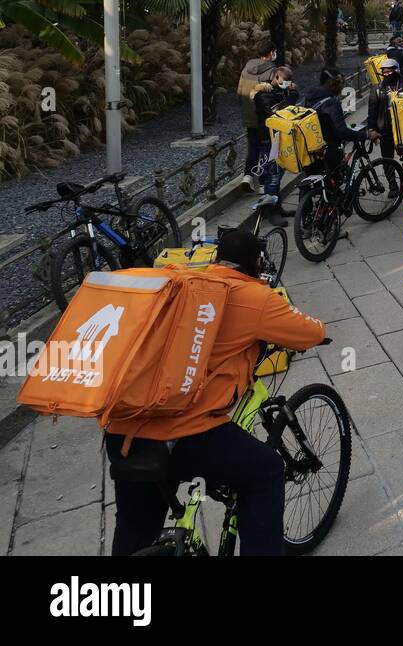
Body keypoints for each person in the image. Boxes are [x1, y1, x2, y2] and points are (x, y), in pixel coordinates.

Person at [105, 229, 327, 555]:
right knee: (265, 471)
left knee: (135, 529)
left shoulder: (184, 284)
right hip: (181, 437)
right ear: (256, 264)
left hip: (121, 429)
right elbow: (311, 331)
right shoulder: (256, 298)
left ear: (216, 258)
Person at [252, 65, 298, 225]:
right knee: (272, 174)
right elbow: (279, 113)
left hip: (278, 137)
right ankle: (269, 211)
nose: (288, 83)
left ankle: (277, 206)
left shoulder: (279, 91)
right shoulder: (264, 94)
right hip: (267, 139)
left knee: (278, 173)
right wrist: (292, 96)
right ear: (276, 77)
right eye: (285, 80)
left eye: (290, 81)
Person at [302, 66, 368, 175]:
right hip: (329, 151)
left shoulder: (310, 98)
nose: (341, 87)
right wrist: (365, 135)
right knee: (334, 185)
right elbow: (341, 131)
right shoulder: (331, 103)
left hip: (311, 150)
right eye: (339, 83)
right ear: (331, 83)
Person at [364, 57, 403, 198]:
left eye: (389, 72)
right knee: (387, 159)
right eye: (384, 72)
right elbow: (372, 112)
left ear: (396, 71)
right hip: (385, 129)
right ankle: (393, 186)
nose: (386, 75)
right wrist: (372, 129)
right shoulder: (377, 90)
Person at [238, 44, 279, 191]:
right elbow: (274, 94)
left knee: (253, 147)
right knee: (266, 149)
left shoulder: (246, 68)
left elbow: (239, 91)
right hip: (264, 116)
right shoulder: (272, 70)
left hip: (249, 115)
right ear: (270, 52)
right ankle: (263, 182)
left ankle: (247, 176)